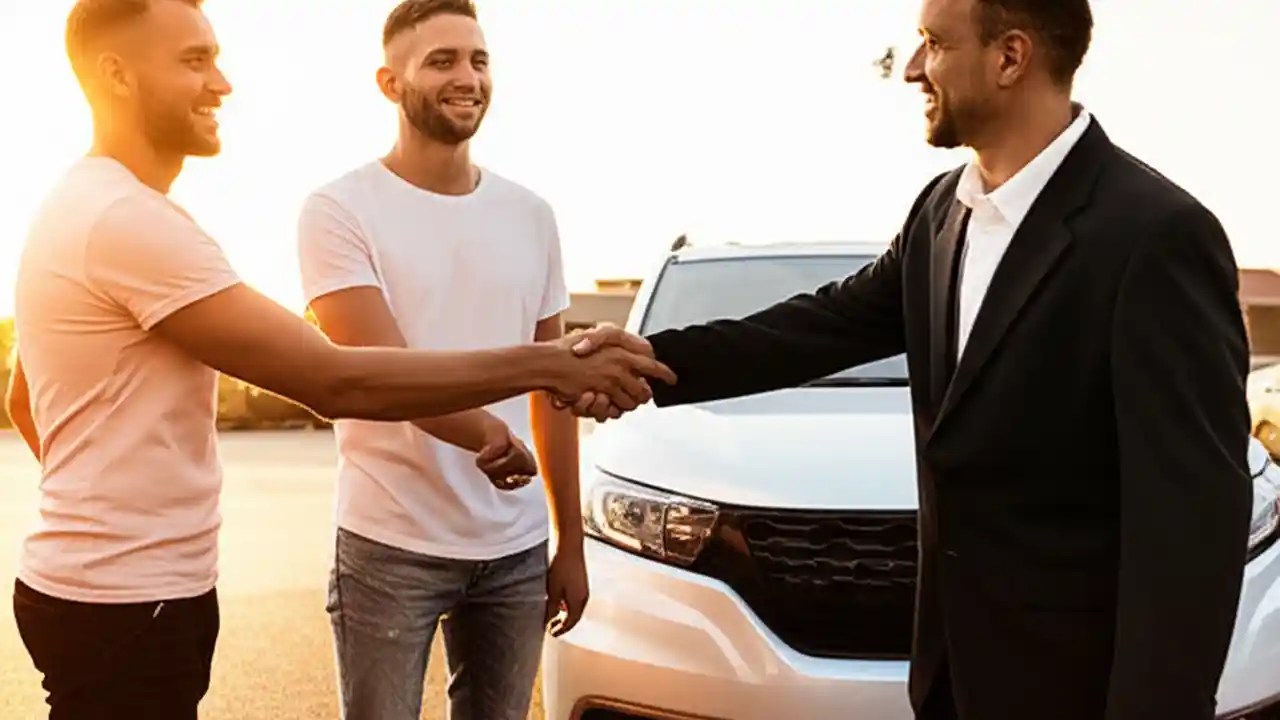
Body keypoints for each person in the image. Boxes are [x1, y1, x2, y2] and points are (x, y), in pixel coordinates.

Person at [569, 0, 1253, 718]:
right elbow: (825, 324)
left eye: (933, 43)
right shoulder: (941, 213)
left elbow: (1190, 528)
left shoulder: (1156, 236)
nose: (913, 68)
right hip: (953, 681)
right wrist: (649, 360)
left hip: (1078, 689)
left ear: (1010, 57)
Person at [4, 1, 674, 718]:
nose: (222, 83)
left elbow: (22, 399)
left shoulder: (95, 205)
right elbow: (334, 377)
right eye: (194, 60)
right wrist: (545, 364)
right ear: (117, 75)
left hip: (116, 588)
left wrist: (101, 508)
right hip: (129, 599)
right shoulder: (127, 220)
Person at [293, 2, 583, 718]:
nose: (468, 77)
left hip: (514, 547)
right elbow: (377, 366)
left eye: (479, 60)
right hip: (390, 542)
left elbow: (557, 387)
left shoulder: (532, 214)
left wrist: (569, 539)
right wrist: (485, 431)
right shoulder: (337, 210)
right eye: (443, 61)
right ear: (390, 83)